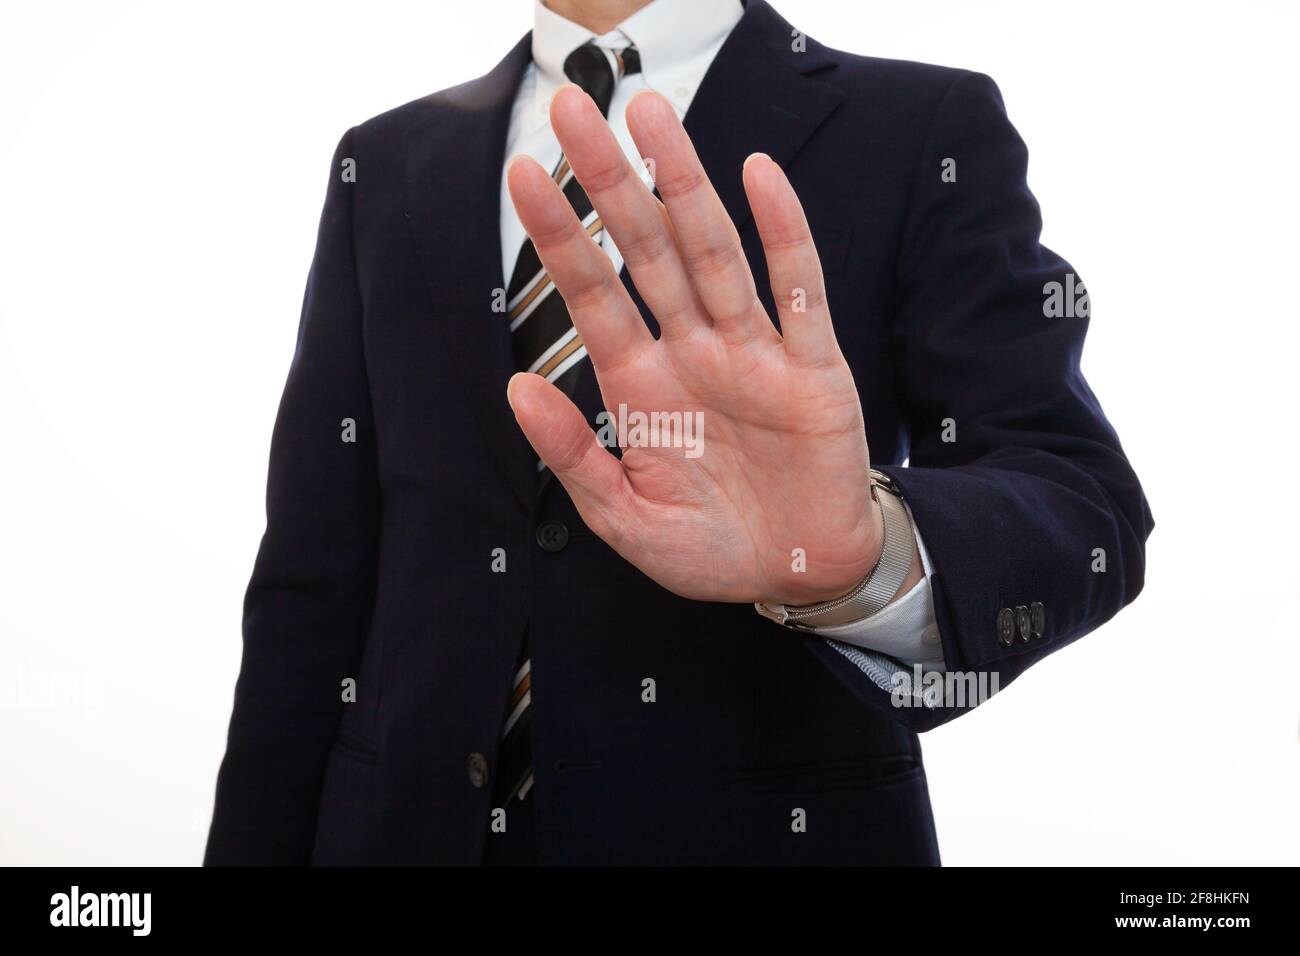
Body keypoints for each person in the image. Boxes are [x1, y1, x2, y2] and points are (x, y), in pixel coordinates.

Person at [205, 0, 1152, 865]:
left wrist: (863, 555)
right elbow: (310, 580)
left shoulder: (921, 125)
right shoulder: (383, 158)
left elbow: (1081, 499)